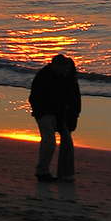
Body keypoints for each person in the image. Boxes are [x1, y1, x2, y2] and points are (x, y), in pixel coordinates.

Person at [29, 53, 81, 182]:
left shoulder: (70, 77)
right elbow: (34, 97)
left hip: (62, 113)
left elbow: (75, 99)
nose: (64, 71)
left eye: (66, 68)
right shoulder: (43, 75)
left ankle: (66, 174)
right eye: (62, 68)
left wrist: (74, 116)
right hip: (44, 112)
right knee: (49, 141)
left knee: (67, 142)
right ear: (54, 66)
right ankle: (42, 171)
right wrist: (41, 113)